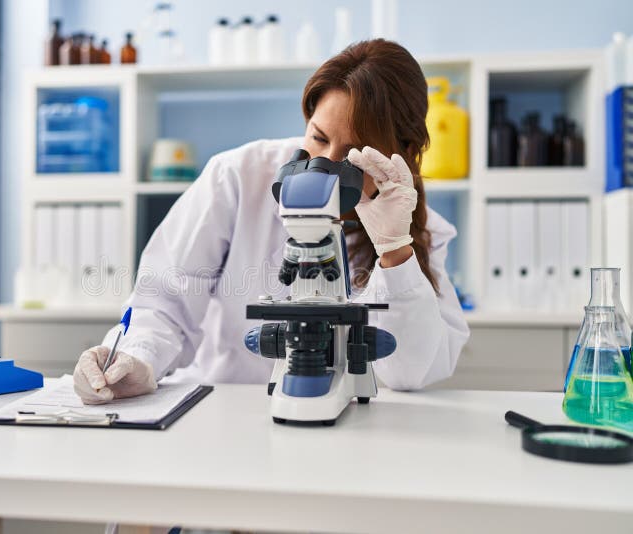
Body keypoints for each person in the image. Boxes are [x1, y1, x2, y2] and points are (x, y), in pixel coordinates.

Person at [73, 39, 470, 404]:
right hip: (225, 408)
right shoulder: (238, 175)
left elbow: (411, 372)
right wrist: (136, 359)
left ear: (404, 152)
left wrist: (394, 249)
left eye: (353, 152)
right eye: (317, 137)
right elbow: (165, 301)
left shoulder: (413, 225)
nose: (327, 165)